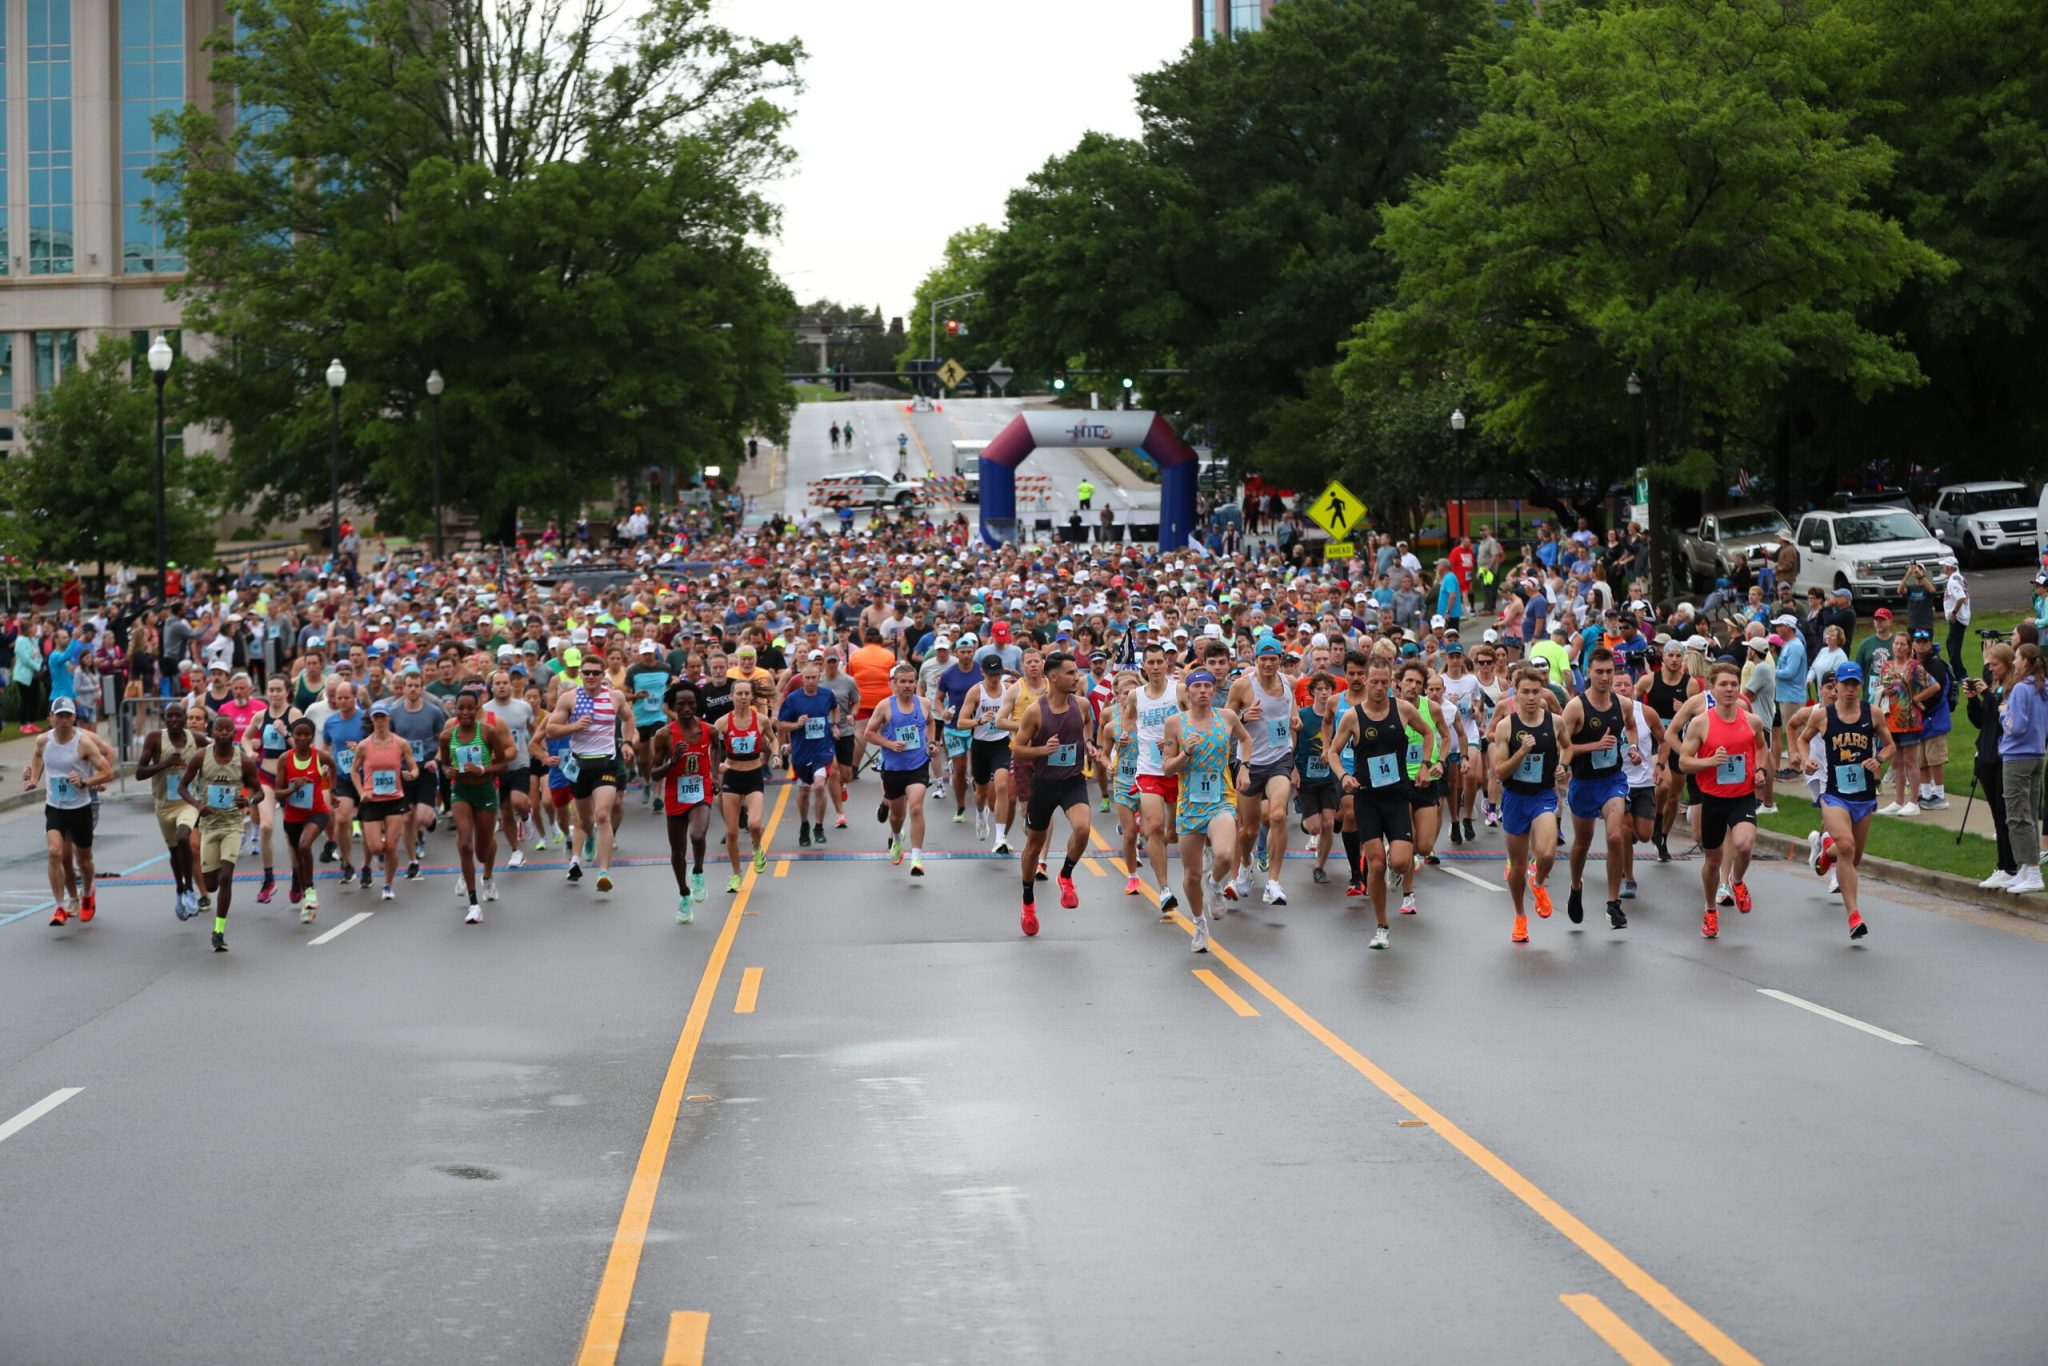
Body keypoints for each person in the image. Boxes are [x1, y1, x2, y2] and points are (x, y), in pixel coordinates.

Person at [1325, 652, 1436, 951]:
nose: (1377, 687)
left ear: (1392, 684)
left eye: (1384, 683)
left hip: (1398, 796)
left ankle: (1395, 872)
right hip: (1367, 798)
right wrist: (1343, 776)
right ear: (1365, 680)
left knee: (1399, 861)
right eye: (1373, 681)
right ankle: (1381, 925)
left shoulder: (1402, 710)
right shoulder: (1352, 716)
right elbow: (1333, 752)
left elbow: (1428, 733)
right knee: (1375, 864)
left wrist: (1425, 764)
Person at [1677, 662, 1770, 937]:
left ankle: (1737, 881)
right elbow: (1683, 762)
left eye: (1733, 684)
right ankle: (1709, 910)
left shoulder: (1751, 721)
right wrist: (1710, 761)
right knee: (1713, 862)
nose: (1729, 689)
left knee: (1744, 844)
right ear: (1712, 688)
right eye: (1723, 685)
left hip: (1742, 797)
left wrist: (1761, 770)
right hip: (1713, 800)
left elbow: (1762, 747)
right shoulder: (1701, 723)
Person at [1164, 668, 1254, 954]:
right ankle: (1199, 923)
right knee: (1191, 876)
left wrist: (1245, 769)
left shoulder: (1226, 717)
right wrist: (1185, 753)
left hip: (1221, 798)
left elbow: (1246, 739)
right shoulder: (1175, 723)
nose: (1202, 691)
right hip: (1190, 804)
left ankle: (1215, 884)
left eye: (1207, 686)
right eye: (1197, 686)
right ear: (1188, 692)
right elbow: (1167, 768)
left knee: (1225, 855)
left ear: (1214, 691)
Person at [1801, 660, 1888, 941]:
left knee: (1855, 857)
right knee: (1848, 848)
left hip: (1863, 796)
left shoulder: (1872, 714)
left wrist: (1880, 759)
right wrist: (1806, 760)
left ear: (1861, 686)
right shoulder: (1822, 716)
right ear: (1835, 686)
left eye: (1855, 684)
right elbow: (1803, 740)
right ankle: (1854, 916)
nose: (1850, 689)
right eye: (1845, 684)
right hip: (1834, 793)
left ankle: (1827, 850)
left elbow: (1890, 744)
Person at [1011, 652, 1096, 935]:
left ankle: (1066, 875)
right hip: (1045, 784)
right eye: (1071, 673)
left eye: (1076, 672)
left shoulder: (1082, 705)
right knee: (1034, 847)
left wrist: (1089, 745)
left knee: (1083, 829)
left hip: (1073, 781)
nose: (1077, 677)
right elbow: (1018, 748)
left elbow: (1087, 728)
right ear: (1054, 677)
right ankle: (1027, 903)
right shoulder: (1036, 711)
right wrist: (1042, 750)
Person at [543, 653, 635, 892]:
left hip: (606, 764)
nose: (591, 676)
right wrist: (574, 726)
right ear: (581, 674)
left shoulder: (614, 696)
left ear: (603, 674)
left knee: (603, 814)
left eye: (596, 672)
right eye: (587, 672)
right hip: (579, 765)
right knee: (585, 820)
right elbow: (551, 730)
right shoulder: (569, 698)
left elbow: (628, 718)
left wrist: (626, 743)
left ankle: (603, 872)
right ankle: (589, 837)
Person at [24, 696, 116, 927]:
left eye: (68, 716)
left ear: (74, 717)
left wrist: (86, 780)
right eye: (59, 716)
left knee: (83, 861)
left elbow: (107, 771)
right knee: (56, 853)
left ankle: (87, 891)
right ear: (50, 718)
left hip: (80, 808)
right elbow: (37, 757)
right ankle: (60, 906)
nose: (64, 720)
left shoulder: (83, 742)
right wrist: (34, 778)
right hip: (55, 807)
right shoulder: (43, 741)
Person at [1491, 665, 1564, 943]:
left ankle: (1540, 882)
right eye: (1525, 692)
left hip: (1543, 794)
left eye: (1536, 691)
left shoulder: (1555, 722)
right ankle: (1520, 915)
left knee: (1546, 854)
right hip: (1514, 798)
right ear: (1515, 692)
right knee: (1518, 866)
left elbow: (1567, 745)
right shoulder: (1506, 726)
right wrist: (1521, 752)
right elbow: (1500, 772)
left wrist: (1563, 766)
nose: (1531, 697)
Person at [1561, 646, 1633, 930]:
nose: (1605, 677)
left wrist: (1634, 746)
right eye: (1599, 672)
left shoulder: (1622, 703)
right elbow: (1563, 749)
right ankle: (1576, 886)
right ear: (1588, 673)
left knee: (1616, 836)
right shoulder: (1576, 707)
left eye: (1609, 672)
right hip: (1583, 783)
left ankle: (1613, 904)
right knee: (1583, 843)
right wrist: (1593, 746)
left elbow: (1631, 727)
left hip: (1612, 780)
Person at [182, 710, 263, 951]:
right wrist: (198, 805)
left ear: (234, 732)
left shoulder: (243, 761)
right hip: (209, 825)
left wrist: (248, 802)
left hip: (232, 826)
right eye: (220, 729)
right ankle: (212, 889)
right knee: (213, 884)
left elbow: (259, 791)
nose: (224, 733)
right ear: (213, 732)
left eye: (228, 729)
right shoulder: (200, 757)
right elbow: (183, 787)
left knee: (226, 877)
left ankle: (218, 930)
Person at [1226, 639, 1297, 906]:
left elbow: (1291, 708)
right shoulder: (1243, 685)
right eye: (1262, 659)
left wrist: (1296, 719)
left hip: (1280, 757)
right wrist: (1244, 717)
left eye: (1273, 658)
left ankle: (1274, 882)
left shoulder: (1288, 682)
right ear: (1255, 659)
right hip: (1249, 762)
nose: (1267, 664)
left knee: (1278, 814)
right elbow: (1225, 721)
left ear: (1280, 658)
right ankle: (1246, 865)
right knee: (1248, 829)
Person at [650, 681, 720, 923]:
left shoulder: (710, 730)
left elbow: (717, 749)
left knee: (698, 836)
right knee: (678, 851)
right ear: (673, 706)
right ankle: (683, 893)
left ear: (697, 703)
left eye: (691, 703)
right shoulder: (664, 735)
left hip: (701, 790)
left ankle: (698, 872)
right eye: (681, 704)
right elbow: (653, 773)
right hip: (675, 794)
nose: (687, 708)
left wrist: (715, 775)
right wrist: (672, 762)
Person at [442, 688, 512, 921]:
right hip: (460, 792)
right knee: (464, 844)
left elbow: (503, 765)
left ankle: (488, 876)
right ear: (454, 709)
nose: (464, 713)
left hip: (485, 792)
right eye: (459, 708)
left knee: (482, 853)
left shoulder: (488, 732)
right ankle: (473, 903)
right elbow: (444, 765)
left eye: (469, 708)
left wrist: (483, 769)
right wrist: (448, 770)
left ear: (477, 708)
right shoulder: (447, 736)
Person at [1129, 644, 1186, 916]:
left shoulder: (1179, 690)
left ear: (1167, 664)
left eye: (1158, 662)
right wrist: (1120, 744)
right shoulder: (1135, 695)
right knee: (1154, 826)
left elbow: (1193, 719)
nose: (1154, 667)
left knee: (1172, 834)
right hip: (1149, 770)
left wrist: (1178, 739)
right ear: (1143, 666)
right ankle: (1164, 889)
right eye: (1149, 662)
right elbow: (1129, 722)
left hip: (1178, 769)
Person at [867, 662, 937, 881]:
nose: (908, 686)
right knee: (897, 816)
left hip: (918, 766)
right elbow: (869, 733)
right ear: (895, 684)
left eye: (911, 681)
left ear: (916, 682)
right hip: (893, 769)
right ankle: (897, 839)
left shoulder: (924, 703)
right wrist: (889, 744)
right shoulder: (885, 706)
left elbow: (931, 722)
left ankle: (916, 858)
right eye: (903, 682)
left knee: (916, 808)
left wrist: (931, 742)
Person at [136, 701, 203, 920]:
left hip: (187, 802)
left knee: (184, 837)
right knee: (174, 851)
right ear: (165, 719)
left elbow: (214, 761)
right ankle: (181, 889)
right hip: (164, 804)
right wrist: (163, 764)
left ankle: (190, 890)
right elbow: (139, 773)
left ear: (184, 719)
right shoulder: (155, 738)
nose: (174, 720)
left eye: (178, 716)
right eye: (169, 716)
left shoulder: (197, 740)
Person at [353, 699, 420, 901]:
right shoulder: (364, 746)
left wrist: (412, 774)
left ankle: (388, 884)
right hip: (372, 799)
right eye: (376, 718)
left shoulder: (400, 743)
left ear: (388, 718)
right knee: (375, 848)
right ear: (372, 720)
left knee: (391, 846)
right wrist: (361, 791)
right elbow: (354, 771)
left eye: (383, 717)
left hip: (394, 799)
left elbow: (414, 767)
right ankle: (378, 858)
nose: (380, 721)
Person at [1997, 643, 2048, 895]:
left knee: (2017, 815)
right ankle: (2027, 869)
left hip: (2017, 756)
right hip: (2037, 754)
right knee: (2028, 811)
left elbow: (2015, 726)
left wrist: (2003, 714)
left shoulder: (2020, 689)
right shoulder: (2042, 687)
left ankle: (2032, 869)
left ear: (2025, 661)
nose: (2014, 661)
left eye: (2016, 657)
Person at [714, 676, 772, 892]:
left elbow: (772, 738)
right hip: (732, 776)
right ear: (732, 697)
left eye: (747, 693)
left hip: (754, 774)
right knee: (731, 832)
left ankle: (758, 849)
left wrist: (774, 754)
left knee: (755, 824)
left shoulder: (761, 720)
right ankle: (736, 875)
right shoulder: (722, 722)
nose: (743, 697)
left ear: (752, 696)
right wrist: (717, 765)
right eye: (739, 694)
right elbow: (710, 746)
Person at [1969, 646, 2020, 889]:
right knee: (1996, 816)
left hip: (2003, 758)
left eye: (1995, 665)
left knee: (2005, 814)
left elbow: (2005, 721)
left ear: (2008, 664)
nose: (1990, 669)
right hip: (1986, 758)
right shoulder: (1994, 688)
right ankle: (2003, 865)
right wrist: (1972, 701)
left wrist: (1988, 697)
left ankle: (2010, 866)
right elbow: (1981, 721)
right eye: (1989, 665)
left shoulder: (2012, 691)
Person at [777, 659, 840, 848]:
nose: (811, 681)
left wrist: (835, 725)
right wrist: (796, 725)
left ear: (819, 678)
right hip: (801, 751)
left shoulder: (827, 695)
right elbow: (780, 724)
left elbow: (835, 708)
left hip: (823, 749)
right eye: (807, 678)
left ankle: (818, 826)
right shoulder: (793, 699)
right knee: (804, 791)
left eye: (814, 678)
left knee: (819, 786)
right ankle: (805, 825)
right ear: (801, 679)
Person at [957, 654, 1015, 850]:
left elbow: (1029, 684)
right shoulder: (975, 692)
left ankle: (1000, 838)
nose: (994, 678)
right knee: (981, 792)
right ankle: (981, 815)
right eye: (990, 674)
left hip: (1002, 744)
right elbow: (961, 722)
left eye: (997, 674)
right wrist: (979, 721)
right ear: (982, 672)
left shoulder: (1008, 688)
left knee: (1001, 786)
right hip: (981, 745)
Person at [276, 716, 332, 923]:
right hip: (292, 817)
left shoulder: (320, 756)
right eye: (298, 734)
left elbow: (334, 766)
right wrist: (293, 788)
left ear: (311, 736)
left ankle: (310, 892)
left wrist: (331, 791)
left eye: (306, 734)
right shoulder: (285, 759)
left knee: (305, 845)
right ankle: (307, 905)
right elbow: (277, 793)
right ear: (292, 735)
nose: (302, 738)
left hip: (316, 812)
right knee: (298, 862)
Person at [483, 669, 536, 868]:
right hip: (498, 767)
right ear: (492, 687)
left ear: (511, 685)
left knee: (518, 801)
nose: (502, 686)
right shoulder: (486, 710)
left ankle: (525, 816)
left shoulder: (523, 707)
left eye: (505, 682)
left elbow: (532, 730)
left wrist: (538, 747)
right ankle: (516, 850)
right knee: (505, 810)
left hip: (521, 762)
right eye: (498, 683)